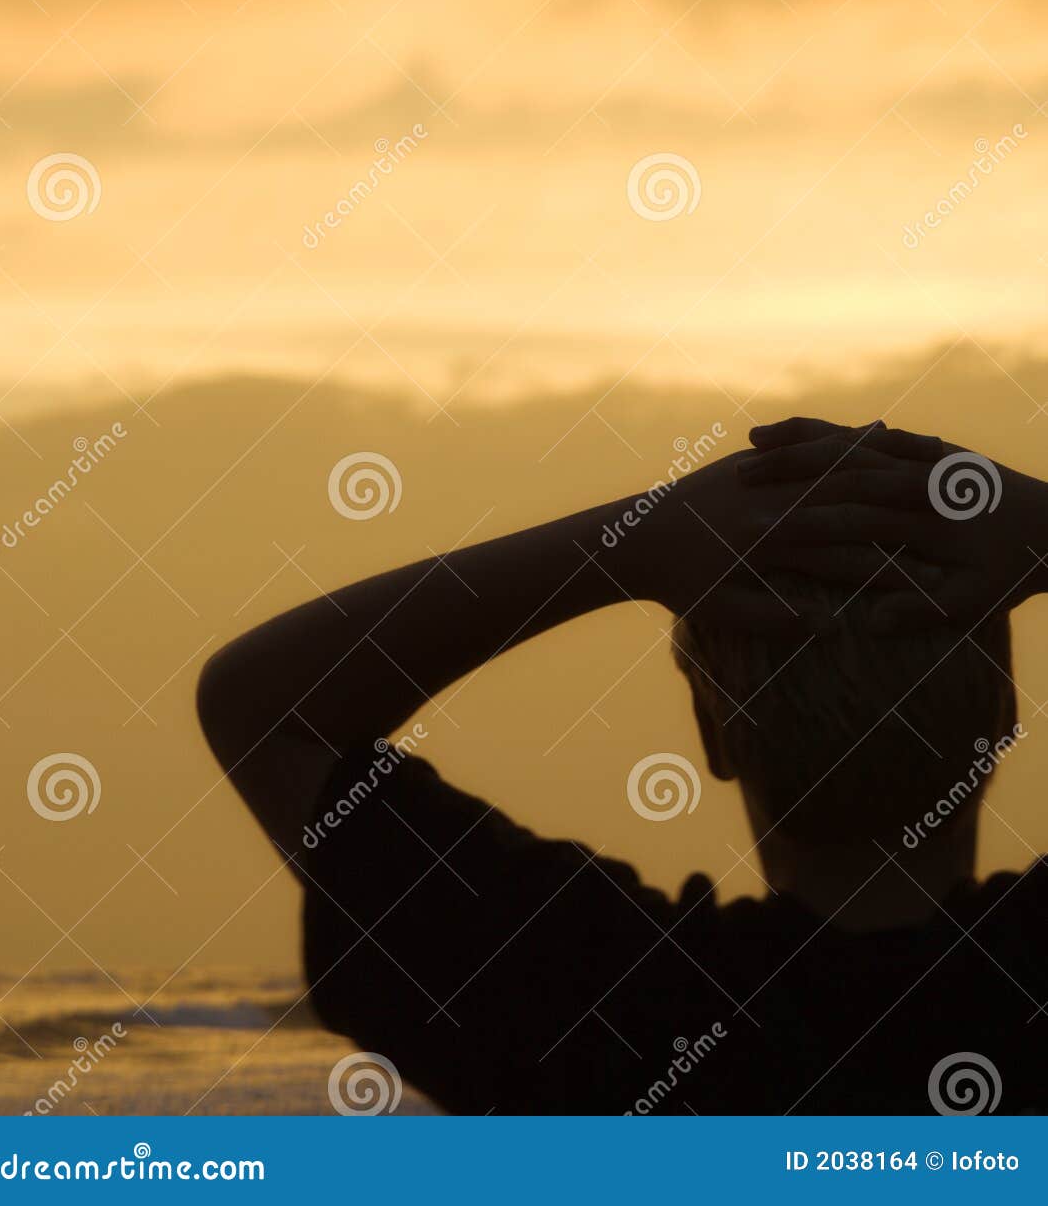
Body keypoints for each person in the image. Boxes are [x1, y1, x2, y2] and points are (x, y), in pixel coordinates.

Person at [196, 416, 1048, 1114]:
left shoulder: (594, 1001)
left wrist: (630, 547)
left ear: (712, 732)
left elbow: (265, 711)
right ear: (1005, 717)